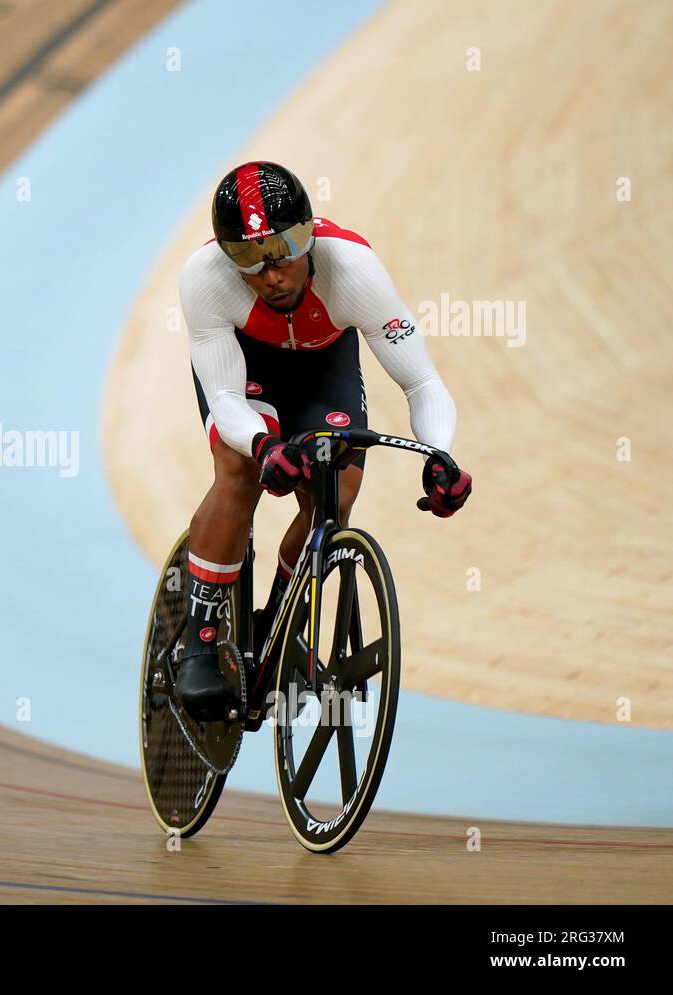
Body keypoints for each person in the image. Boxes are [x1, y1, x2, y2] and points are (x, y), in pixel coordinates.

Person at [175, 161, 472, 721]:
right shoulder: (204, 278)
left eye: (286, 248)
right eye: (248, 257)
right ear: (225, 255)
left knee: (335, 490)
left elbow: (422, 381)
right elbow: (226, 399)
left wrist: (440, 454)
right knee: (239, 475)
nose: (271, 274)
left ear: (310, 232)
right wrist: (266, 449)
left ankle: (275, 620)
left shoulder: (354, 269)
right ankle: (200, 638)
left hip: (321, 366)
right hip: (247, 374)